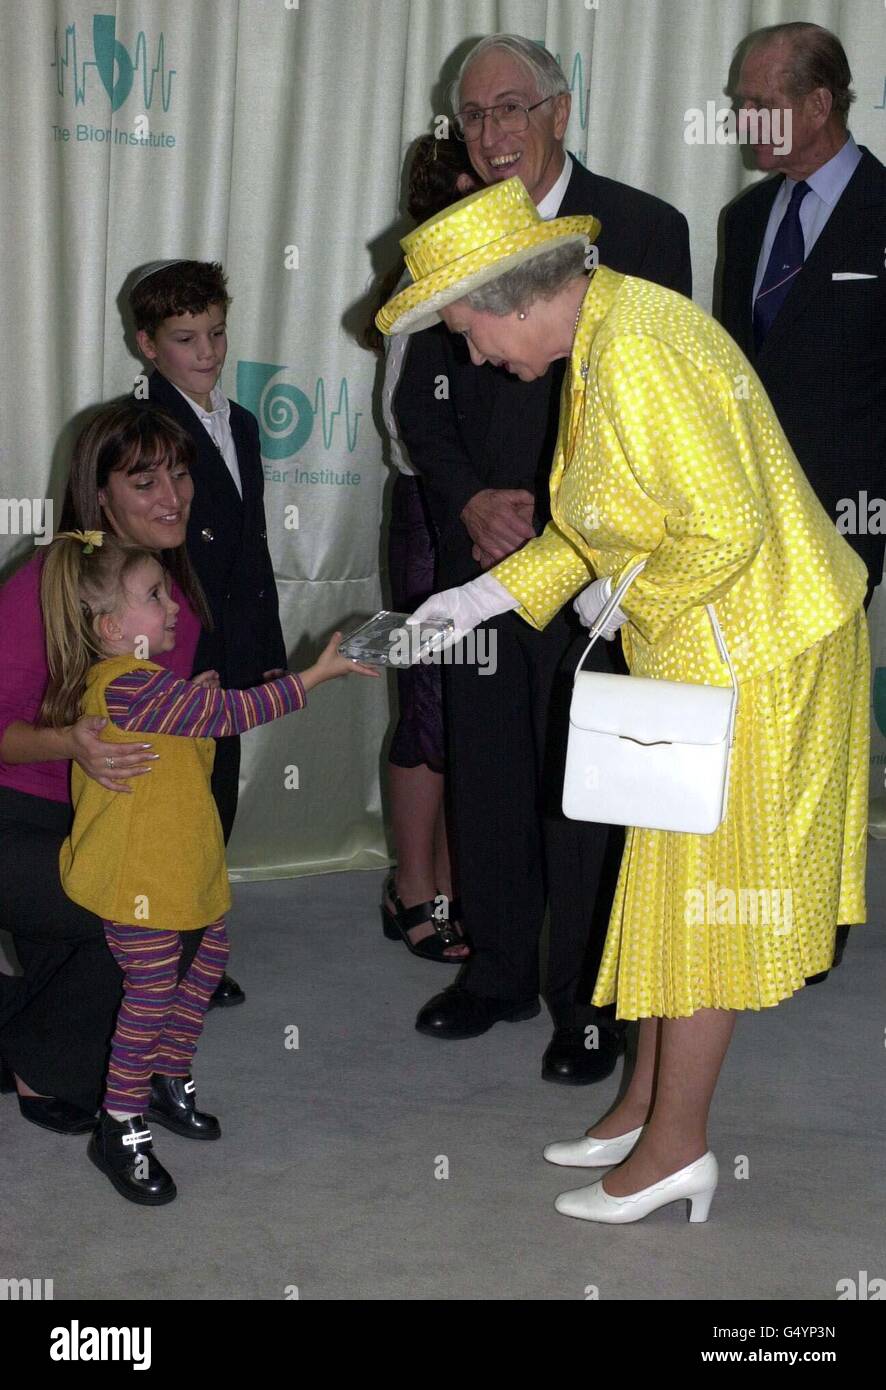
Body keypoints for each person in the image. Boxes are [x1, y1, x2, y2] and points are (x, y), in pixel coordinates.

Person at [378, 175, 868, 1224]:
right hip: (704, 656)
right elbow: (599, 529)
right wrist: (472, 599)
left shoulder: (637, 347)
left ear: (512, 301)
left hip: (757, 657)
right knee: (659, 887)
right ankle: (642, 1107)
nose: (469, 356)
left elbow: (721, 532)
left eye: (464, 329)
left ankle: (677, 1148)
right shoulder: (605, 334)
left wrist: (617, 592)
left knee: (702, 908)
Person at [394, 34, 691, 1084]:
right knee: (487, 772)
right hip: (482, 556)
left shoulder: (647, 229)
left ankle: (585, 1002)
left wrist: (570, 525)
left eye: (512, 108)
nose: (492, 133)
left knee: (589, 788)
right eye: (474, 115)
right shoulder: (447, 234)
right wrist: (469, 502)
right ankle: (496, 973)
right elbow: (418, 405)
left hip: (597, 567)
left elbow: (656, 417)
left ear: (561, 112)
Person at [38, 530, 375, 1205]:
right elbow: (227, 715)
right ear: (109, 628)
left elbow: (196, 724)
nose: (172, 605)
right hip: (138, 881)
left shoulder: (151, 689)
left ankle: (168, 1077)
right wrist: (315, 675)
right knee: (151, 992)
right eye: (153, 595)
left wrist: (197, 700)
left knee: (204, 965)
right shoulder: (125, 686)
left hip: (181, 869)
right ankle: (120, 1121)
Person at [717, 21, 885, 979]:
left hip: (853, 522)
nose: (742, 117)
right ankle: (755, 898)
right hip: (749, 521)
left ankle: (816, 917)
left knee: (823, 725)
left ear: (819, 105)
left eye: (759, 99)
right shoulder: (746, 221)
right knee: (758, 718)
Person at [0, 401, 214, 1134]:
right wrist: (71, 744)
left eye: (180, 475)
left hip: (85, 819)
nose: (173, 496)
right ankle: (35, 1062)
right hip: (14, 816)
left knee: (171, 907)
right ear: (99, 497)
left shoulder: (167, 596)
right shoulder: (46, 582)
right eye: (145, 481)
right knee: (140, 918)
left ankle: (32, 1028)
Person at [130, 258, 287, 1009]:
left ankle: (191, 949)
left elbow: (250, 542)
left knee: (211, 800)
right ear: (146, 345)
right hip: (175, 648)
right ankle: (161, 953)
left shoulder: (244, 424)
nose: (208, 352)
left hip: (234, 644)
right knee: (170, 807)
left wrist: (260, 649)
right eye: (186, 338)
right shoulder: (142, 432)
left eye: (217, 333)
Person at [364, 133, 476, 962]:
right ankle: (412, 885)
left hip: (503, 521)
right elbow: (407, 424)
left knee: (481, 710)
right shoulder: (423, 284)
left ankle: (457, 880)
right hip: (431, 516)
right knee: (432, 703)